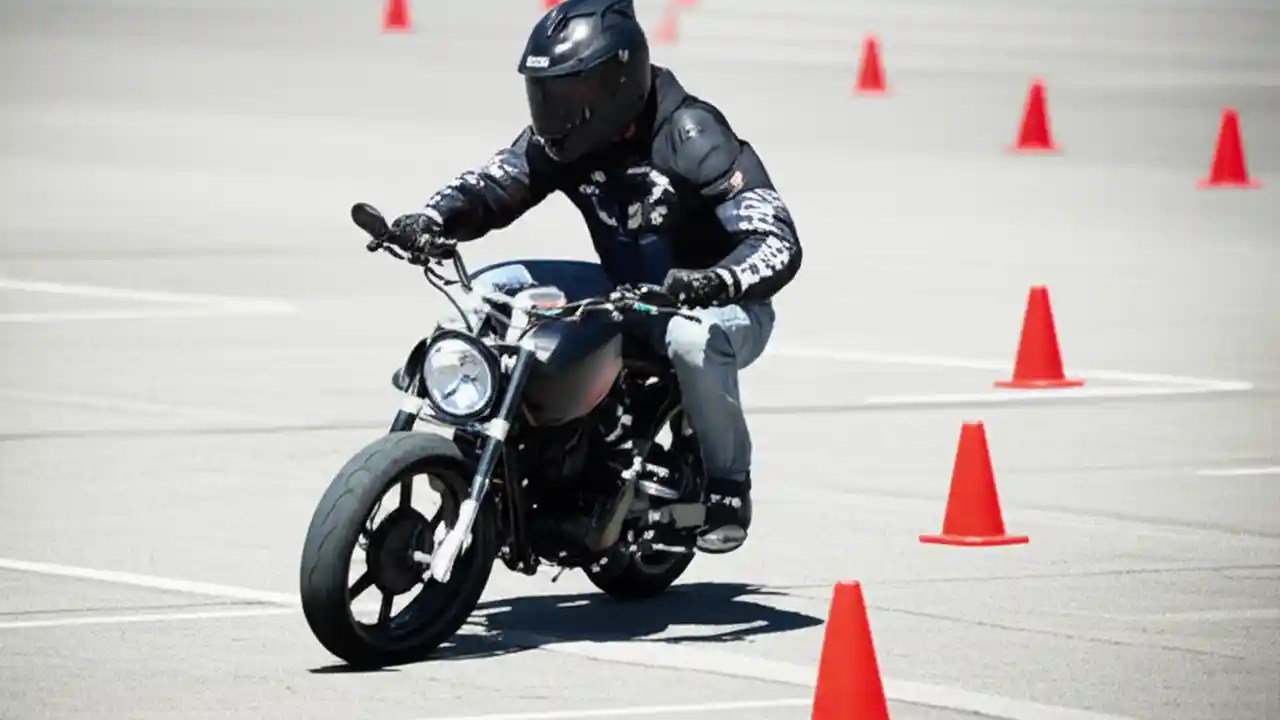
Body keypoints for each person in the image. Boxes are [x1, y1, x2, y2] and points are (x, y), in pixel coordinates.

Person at [388, 0, 802, 554]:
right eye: (543, 95)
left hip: (716, 305)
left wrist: (710, 283)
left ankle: (728, 487)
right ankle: (478, 431)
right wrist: (432, 219)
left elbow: (777, 240)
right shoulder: (563, 140)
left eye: (565, 95)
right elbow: (495, 183)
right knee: (486, 291)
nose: (550, 113)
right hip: (624, 292)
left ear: (616, 85)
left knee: (691, 339)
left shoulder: (691, 134)